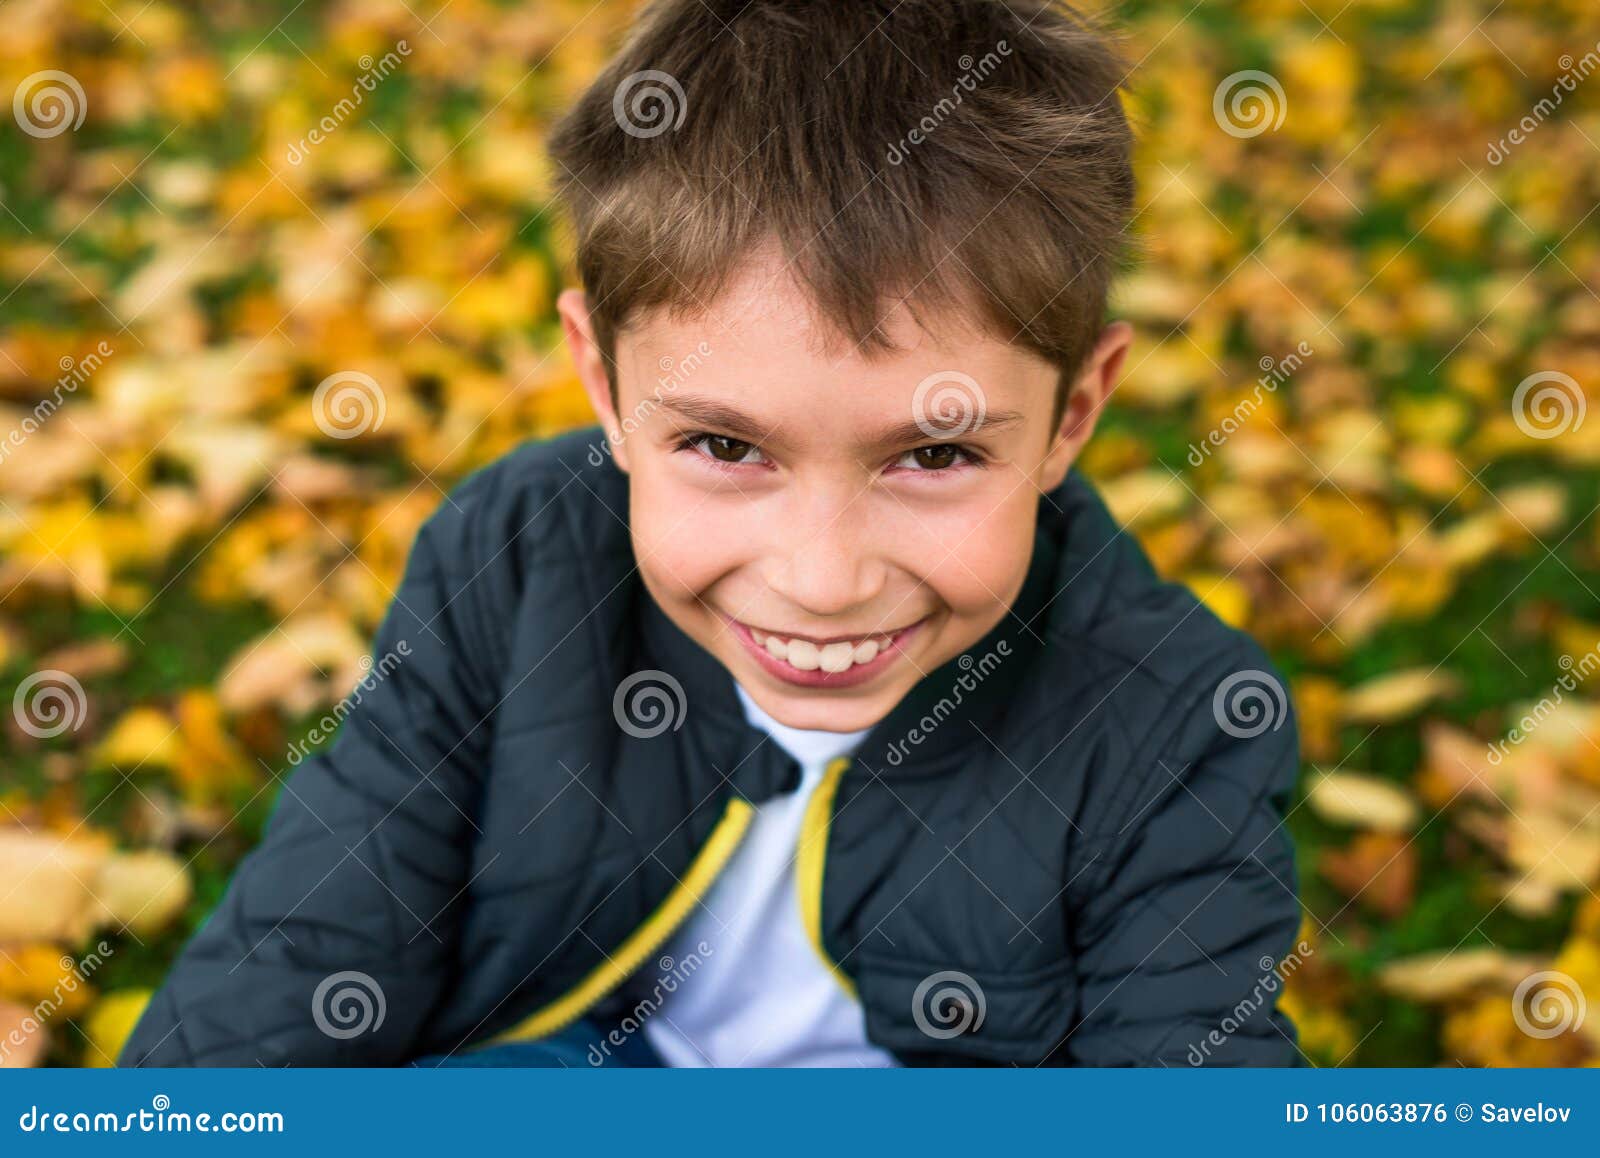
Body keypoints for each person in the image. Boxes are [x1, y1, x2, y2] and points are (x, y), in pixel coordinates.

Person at [121, 0, 1302, 1068]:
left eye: (935, 455)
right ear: (602, 382)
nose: (824, 580)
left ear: (1071, 416)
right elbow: (311, 940)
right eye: (726, 449)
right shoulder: (521, 556)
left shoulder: (1171, 715)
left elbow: (1190, 1080)